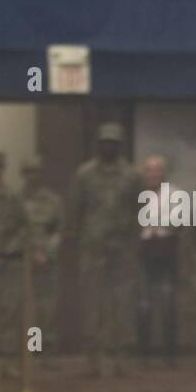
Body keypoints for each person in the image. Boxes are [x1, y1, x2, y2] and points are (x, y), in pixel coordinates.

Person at [66, 121, 140, 377]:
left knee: (121, 304)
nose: (109, 146)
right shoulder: (84, 174)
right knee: (92, 303)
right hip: (92, 249)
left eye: (113, 143)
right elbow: (74, 213)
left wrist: (133, 243)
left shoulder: (131, 175)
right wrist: (75, 245)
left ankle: (120, 359)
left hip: (122, 249)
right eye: (105, 142)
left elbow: (138, 212)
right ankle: (92, 361)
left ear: (119, 146)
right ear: (99, 145)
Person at [0, 150, 28, 378]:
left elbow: (24, 228)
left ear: (3, 170)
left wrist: (6, 253)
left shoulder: (13, 198)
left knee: (9, 318)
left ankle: (8, 364)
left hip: (6, 267)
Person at [19, 157, 64, 349]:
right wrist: (27, 253)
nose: (32, 176)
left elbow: (59, 230)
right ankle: (31, 350)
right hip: (20, 262)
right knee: (27, 309)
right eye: (28, 172)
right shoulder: (15, 199)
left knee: (47, 308)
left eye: (35, 171)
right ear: (22, 174)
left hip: (47, 261)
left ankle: (46, 351)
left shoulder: (52, 200)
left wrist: (46, 252)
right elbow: (12, 230)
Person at [137, 155, 178, 365]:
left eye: (157, 170)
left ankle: (169, 355)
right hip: (143, 254)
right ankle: (143, 355)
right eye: (149, 170)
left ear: (164, 173)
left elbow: (177, 223)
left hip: (165, 252)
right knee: (144, 304)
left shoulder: (174, 195)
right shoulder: (138, 195)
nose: (153, 174)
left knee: (167, 303)